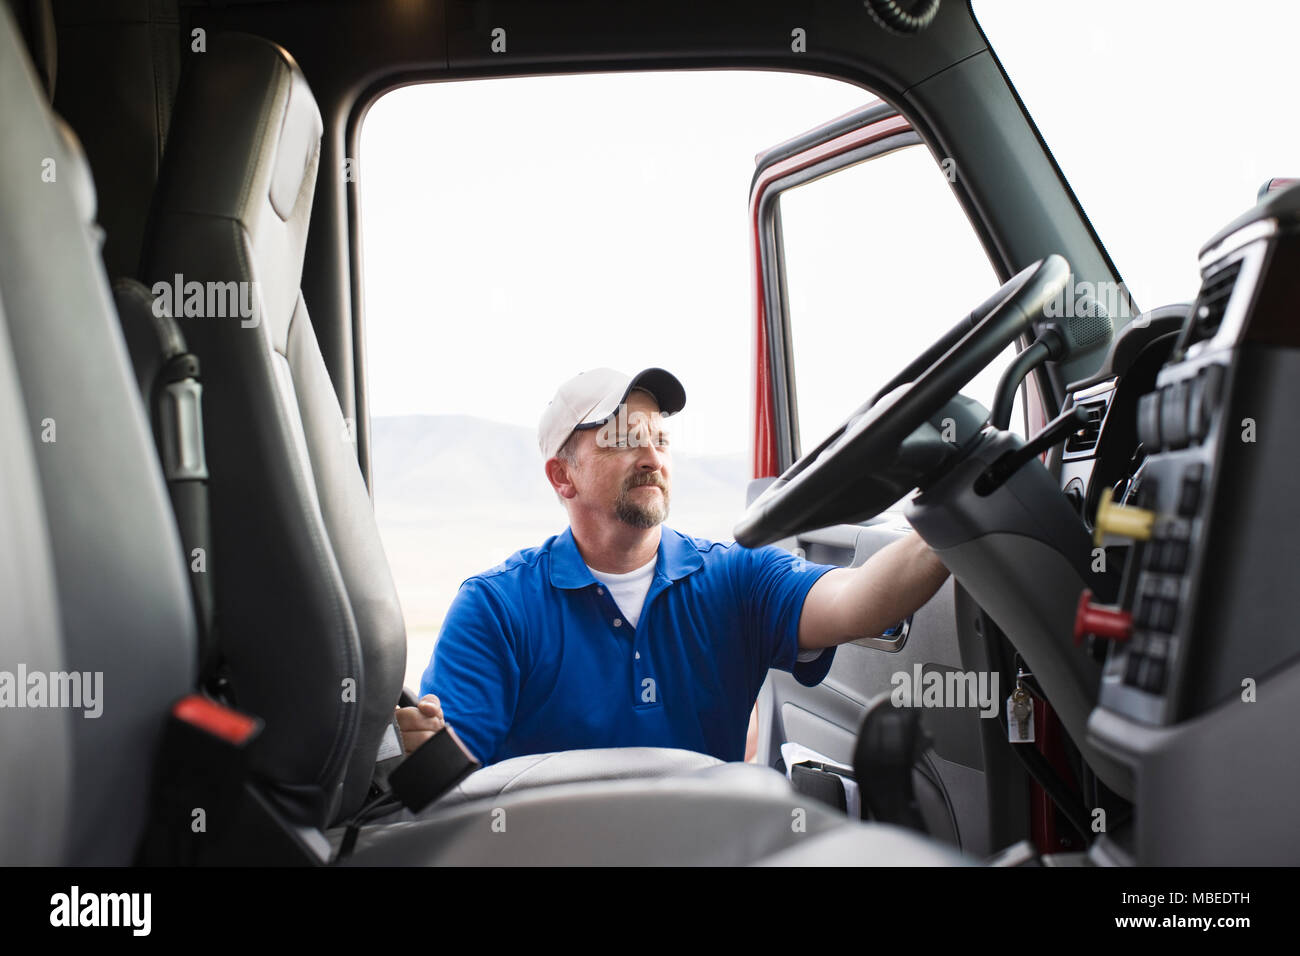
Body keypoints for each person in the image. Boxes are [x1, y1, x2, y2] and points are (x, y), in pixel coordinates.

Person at [395, 367, 951, 764]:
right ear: (563, 478)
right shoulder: (495, 607)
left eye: (660, 439)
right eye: (623, 442)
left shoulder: (736, 577)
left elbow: (859, 603)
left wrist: (957, 512)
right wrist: (424, 753)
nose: (652, 456)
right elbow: (448, 783)